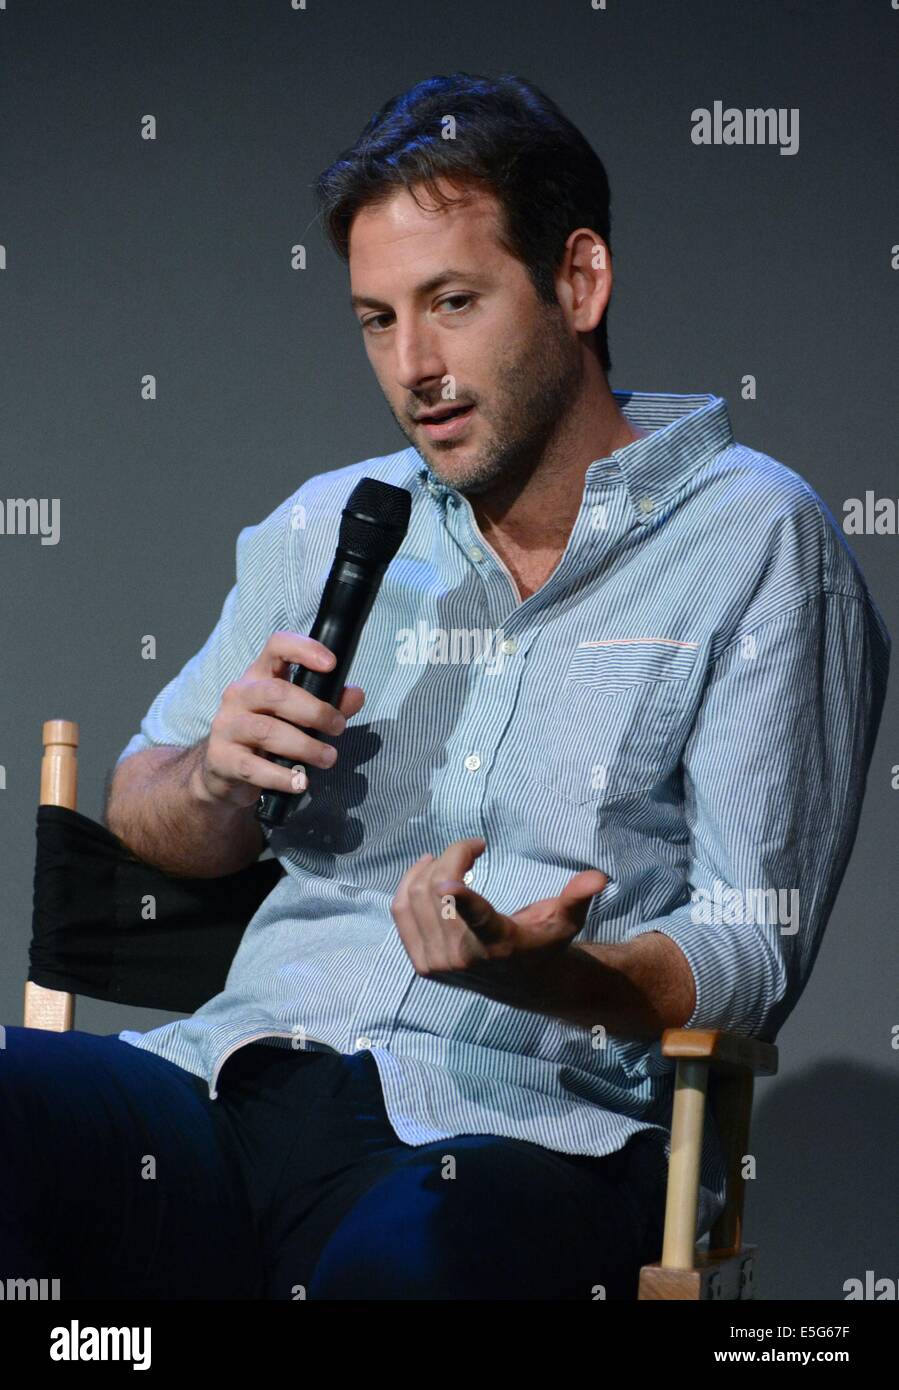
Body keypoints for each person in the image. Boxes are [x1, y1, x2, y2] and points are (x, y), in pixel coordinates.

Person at [2, 72, 890, 1301]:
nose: (413, 366)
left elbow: (753, 942)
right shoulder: (327, 526)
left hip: (526, 1133)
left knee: (419, 1262)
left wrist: (554, 977)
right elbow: (141, 800)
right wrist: (209, 776)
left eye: (452, 303)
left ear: (578, 281)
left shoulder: (753, 542)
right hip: (231, 1086)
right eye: (376, 320)